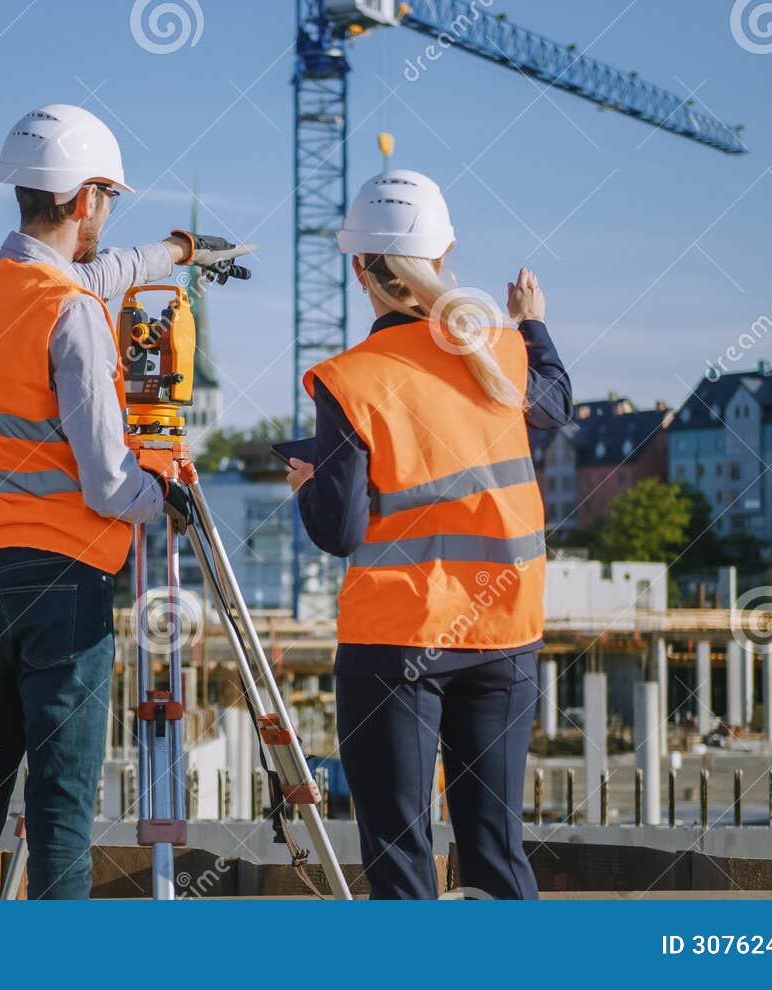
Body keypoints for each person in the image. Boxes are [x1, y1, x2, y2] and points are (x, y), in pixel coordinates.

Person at [0, 104, 252, 900]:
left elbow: (78, 280)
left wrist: (176, 253)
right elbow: (108, 484)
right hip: (62, 588)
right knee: (61, 808)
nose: (106, 212)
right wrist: (161, 494)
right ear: (85, 198)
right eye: (105, 197)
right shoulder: (71, 314)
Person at [285, 169, 572, 899]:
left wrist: (308, 485)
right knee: (496, 849)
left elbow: (340, 531)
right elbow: (555, 405)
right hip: (505, 631)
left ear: (359, 267)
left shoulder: (351, 378)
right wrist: (533, 324)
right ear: (443, 254)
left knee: (401, 856)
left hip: (397, 639)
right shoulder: (502, 348)